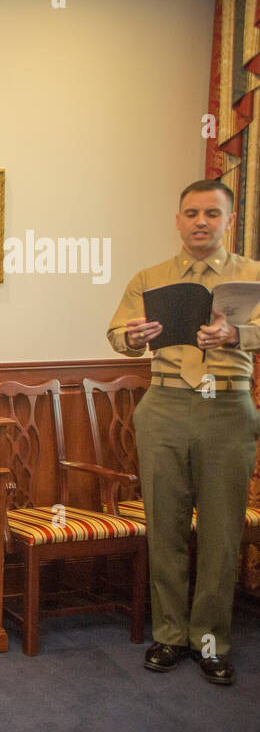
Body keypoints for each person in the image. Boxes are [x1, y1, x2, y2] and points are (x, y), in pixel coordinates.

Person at [107, 179, 260, 686]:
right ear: (177, 220)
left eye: (212, 214)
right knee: (165, 526)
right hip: (166, 404)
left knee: (221, 532)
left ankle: (211, 642)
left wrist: (237, 334)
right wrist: (132, 336)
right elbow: (116, 334)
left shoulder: (253, 277)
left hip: (227, 407)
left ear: (229, 221)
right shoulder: (150, 278)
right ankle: (170, 635)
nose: (200, 222)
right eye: (191, 213)